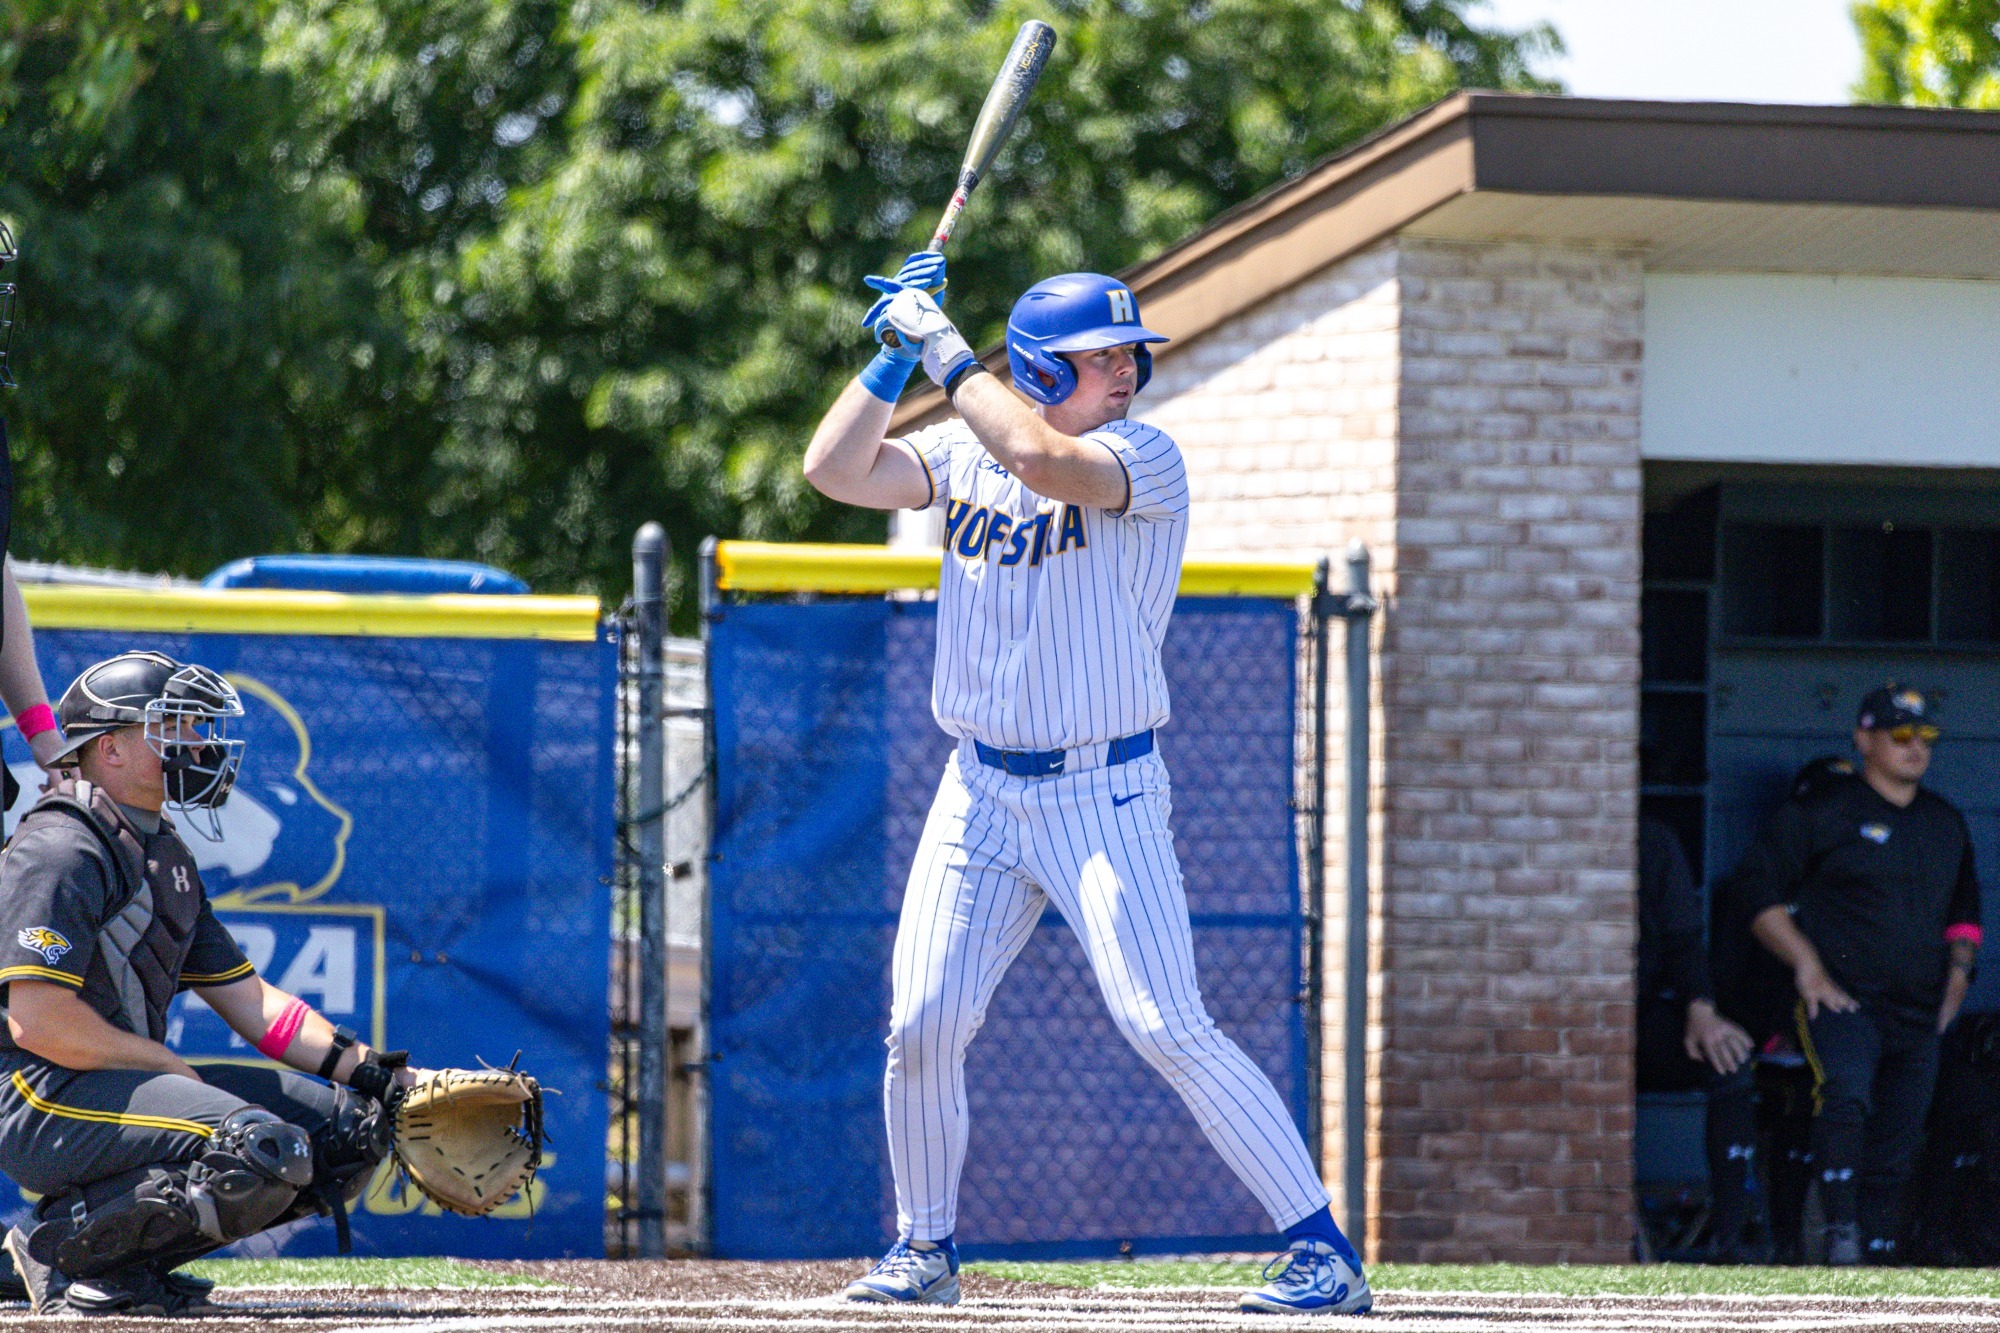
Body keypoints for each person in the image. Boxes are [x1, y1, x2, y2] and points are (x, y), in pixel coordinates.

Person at [799, 254, 1368, 1316]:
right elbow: (832, 470)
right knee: (920, 1022)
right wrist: (891, 360)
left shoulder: (1141, 455)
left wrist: (943, 349)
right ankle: (924, 1247)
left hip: (1103, 793)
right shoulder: (963, 451)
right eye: (1099, 358)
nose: (1124, 372)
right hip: (978, 791)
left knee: (1164, 1022)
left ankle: (1322, 1249)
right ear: (1039, 367)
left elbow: (1041, 461)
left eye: (1128, 355)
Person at [0, 651, 426, 1315]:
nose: (197, 743)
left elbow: (257, 1006)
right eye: (173, 727)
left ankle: (121, 1262)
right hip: (35, 1097)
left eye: (196, 727)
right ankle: (53, 1249)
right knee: (256, 1146)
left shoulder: (164, 853)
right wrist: (162, 1063)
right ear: (109, 748)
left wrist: (391, 1081)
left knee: (348, 1132)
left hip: (111, 1083)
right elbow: (39, 1021)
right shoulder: (60, 847)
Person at [1737, 685, 1979, 1266]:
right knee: (1845, 1097)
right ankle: (1839, 1232)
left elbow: (1965, 913)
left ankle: (1879, 1247)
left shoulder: (1944, 821)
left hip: (1919, 1007)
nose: (1916, 746)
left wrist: (1958, 978)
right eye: (1900, 735)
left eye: (1925, 736)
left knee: (1904, 1128)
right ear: (1863, 739)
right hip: (1843, 1002)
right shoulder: (1824, 810)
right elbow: (1755, 891)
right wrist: (1807, 966)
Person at [1633, 814, 1766, 1260]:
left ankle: (1729, 1239)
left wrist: (1701, 1008)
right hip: (1561, 1025)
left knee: (1729, 1056)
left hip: (1638, 1018)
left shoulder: (1651, 839)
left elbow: (1683, 940)